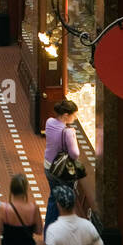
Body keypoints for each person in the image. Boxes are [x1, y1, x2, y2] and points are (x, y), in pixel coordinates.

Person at [44, 98, 80, 231]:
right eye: (74, 115)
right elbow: (75, 154)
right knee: (65, 203)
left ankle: (49, 233)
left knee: (53, 198)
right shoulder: (69, 132)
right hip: (61, 171)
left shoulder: (49, 122)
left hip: (48, 166)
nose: (75, 118)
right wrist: (73, 137)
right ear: (66, 115)